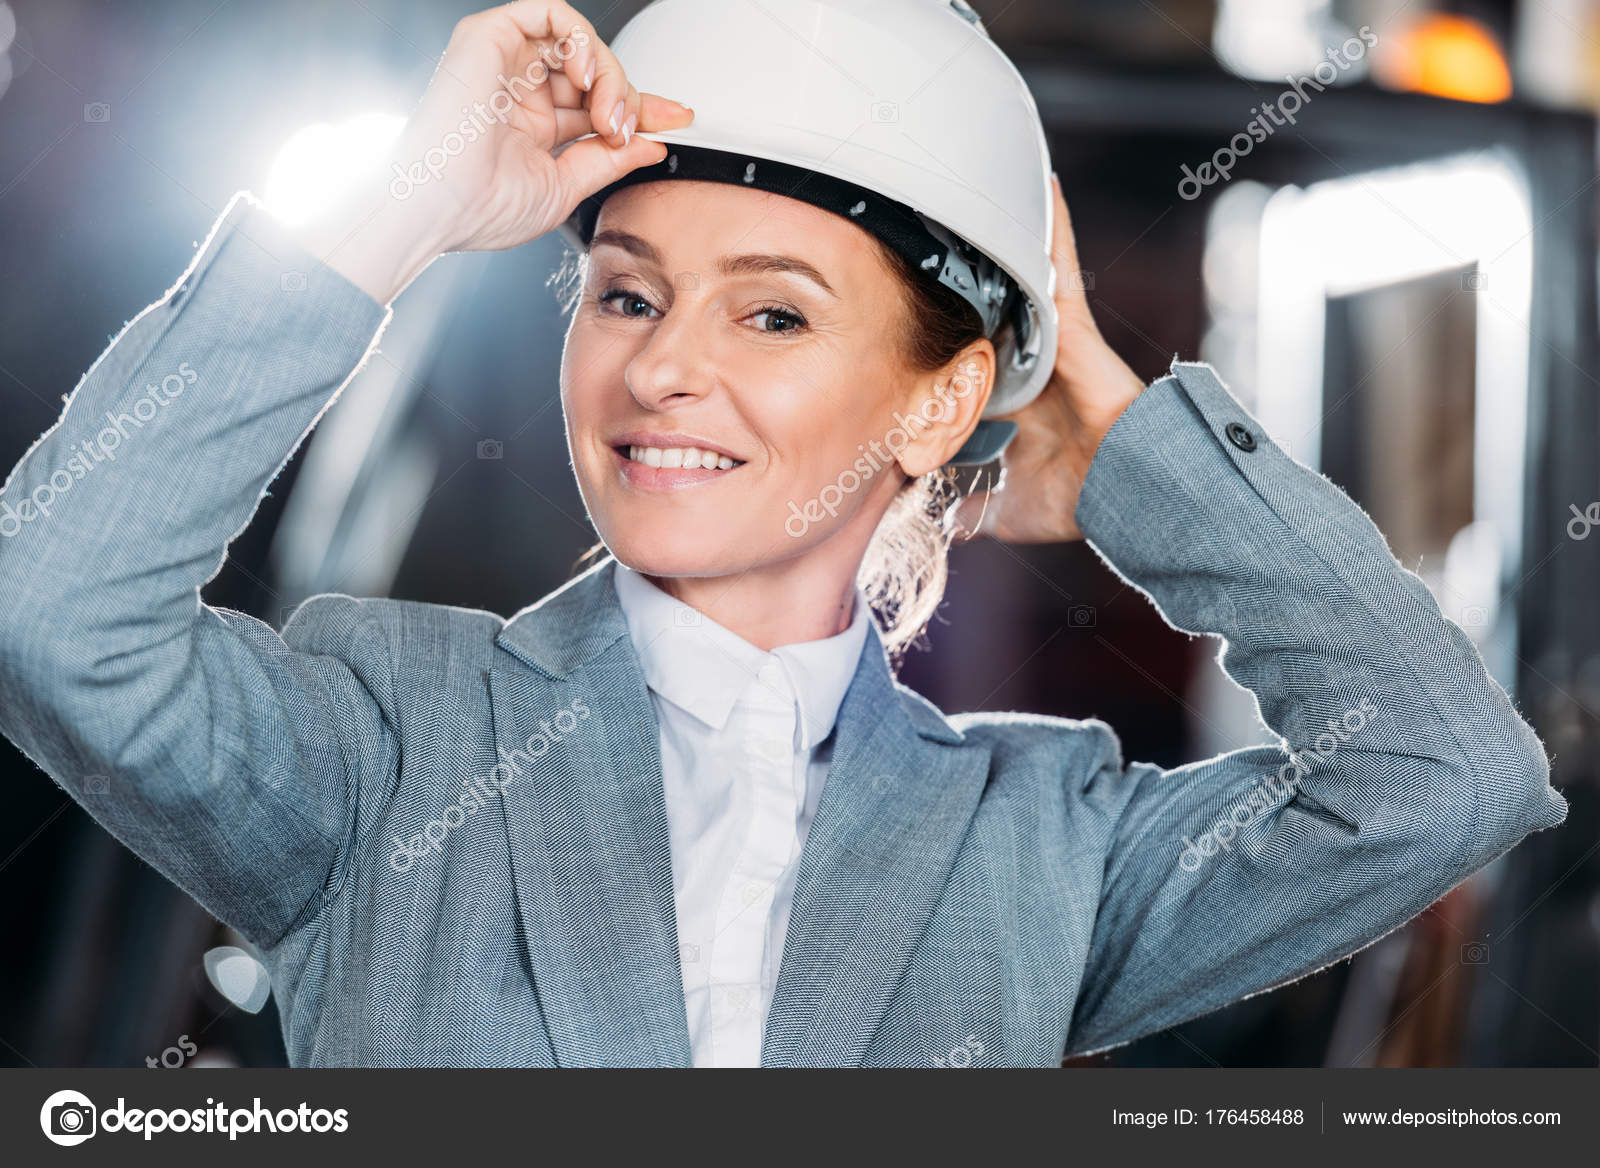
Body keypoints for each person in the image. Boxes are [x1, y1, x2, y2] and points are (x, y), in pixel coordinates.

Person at [0, 0, 1565, 1068]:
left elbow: (1443, 778)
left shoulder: (1042, 839)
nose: (662, 363)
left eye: (771, 310)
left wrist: (1117, 425)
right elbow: (50, 612)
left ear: (939, 403)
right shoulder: (388, 742)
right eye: (625, 292)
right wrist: (407, 198)